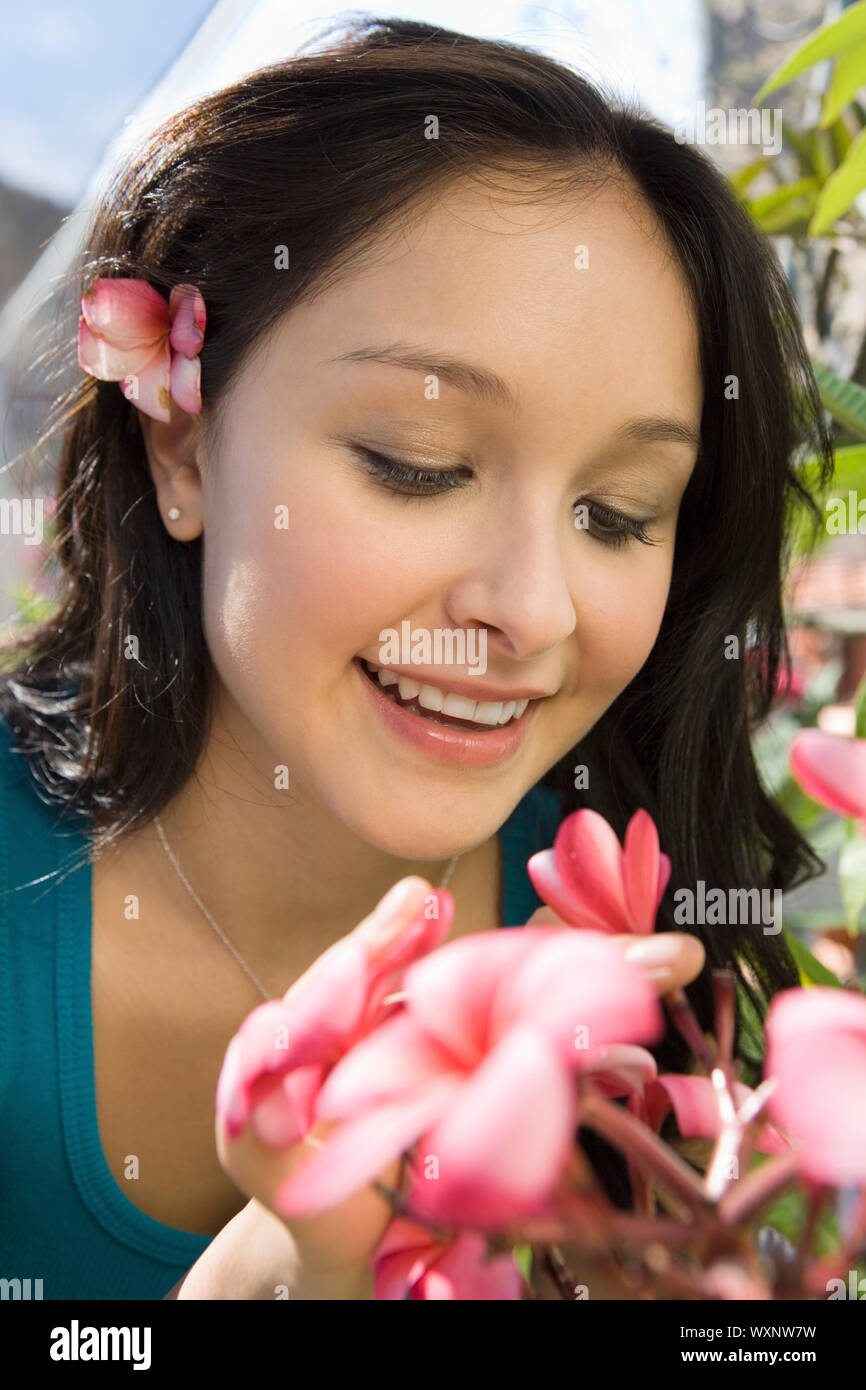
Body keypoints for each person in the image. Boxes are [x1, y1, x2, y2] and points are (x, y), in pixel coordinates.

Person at [0, 17, 832, 1300]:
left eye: (616, 515)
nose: (532, 610)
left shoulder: (644, 930)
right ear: (181, 449)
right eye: (415, 466)